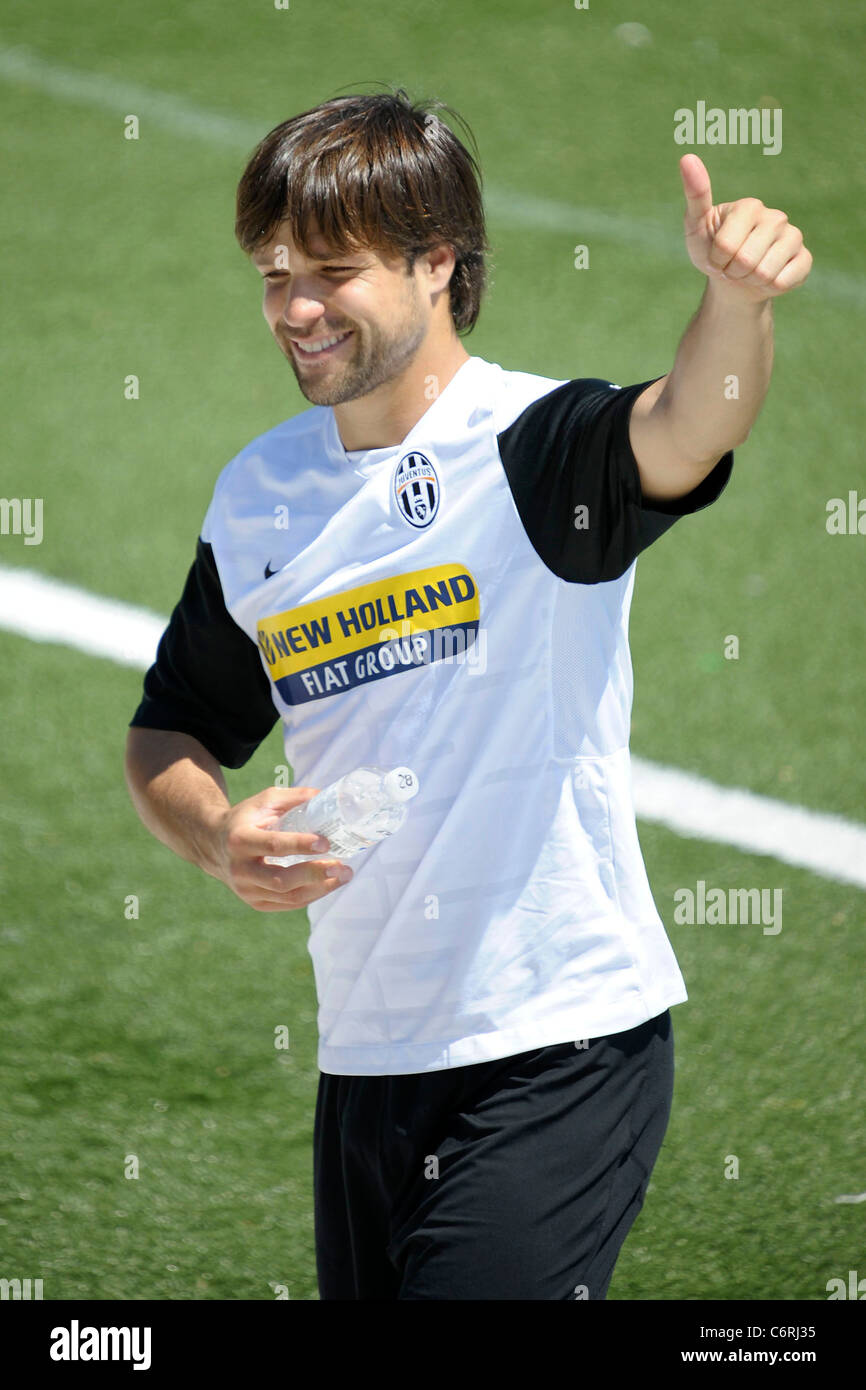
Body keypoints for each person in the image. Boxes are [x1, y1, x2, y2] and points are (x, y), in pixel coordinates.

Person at [124, 88, 812, 1300]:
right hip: (369, 1058)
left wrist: (735, 303)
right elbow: (171, 728)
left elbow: (688, 424)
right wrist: (214, 831)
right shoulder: (259, 496)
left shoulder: (534, 449)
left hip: (558, 1043)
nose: (293, 308)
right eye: (274, 273)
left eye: (332, 272)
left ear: (436, 261)